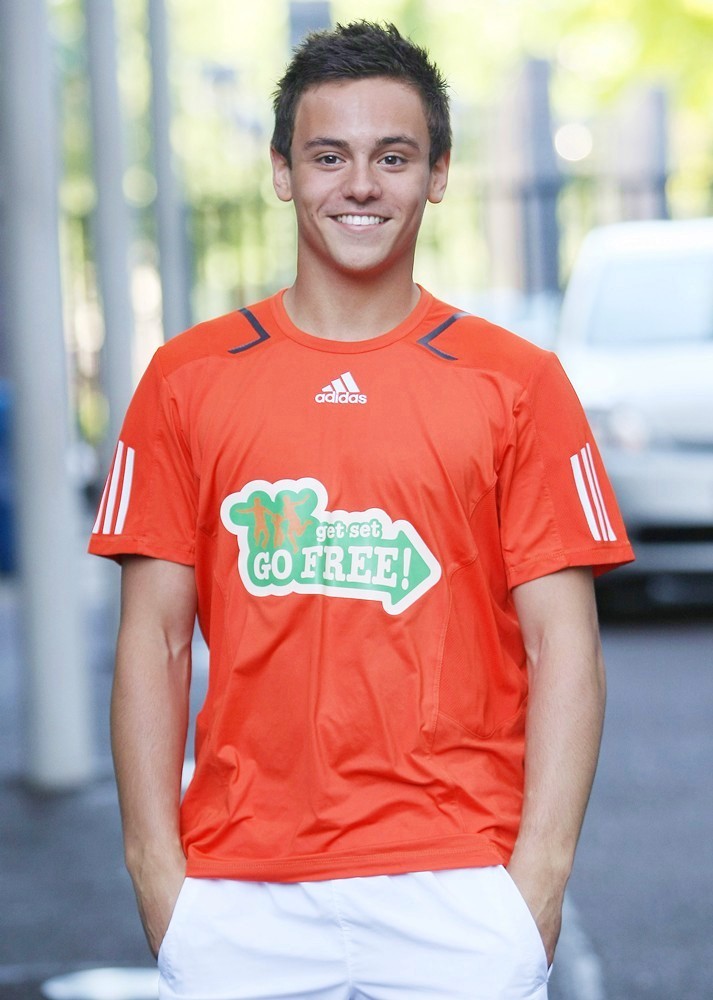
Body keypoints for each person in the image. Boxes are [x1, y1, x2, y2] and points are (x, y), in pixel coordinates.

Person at [89, 20, 634, 1000]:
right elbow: (153, 640)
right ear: (281, 171)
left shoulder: (516, 382)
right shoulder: (185, 379)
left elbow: (565, 647)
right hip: (238, 893)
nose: (360, 185)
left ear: (436, 174)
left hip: (459, 887)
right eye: (327, 155)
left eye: (392, 156)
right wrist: (157, 876)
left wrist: (536, 886)